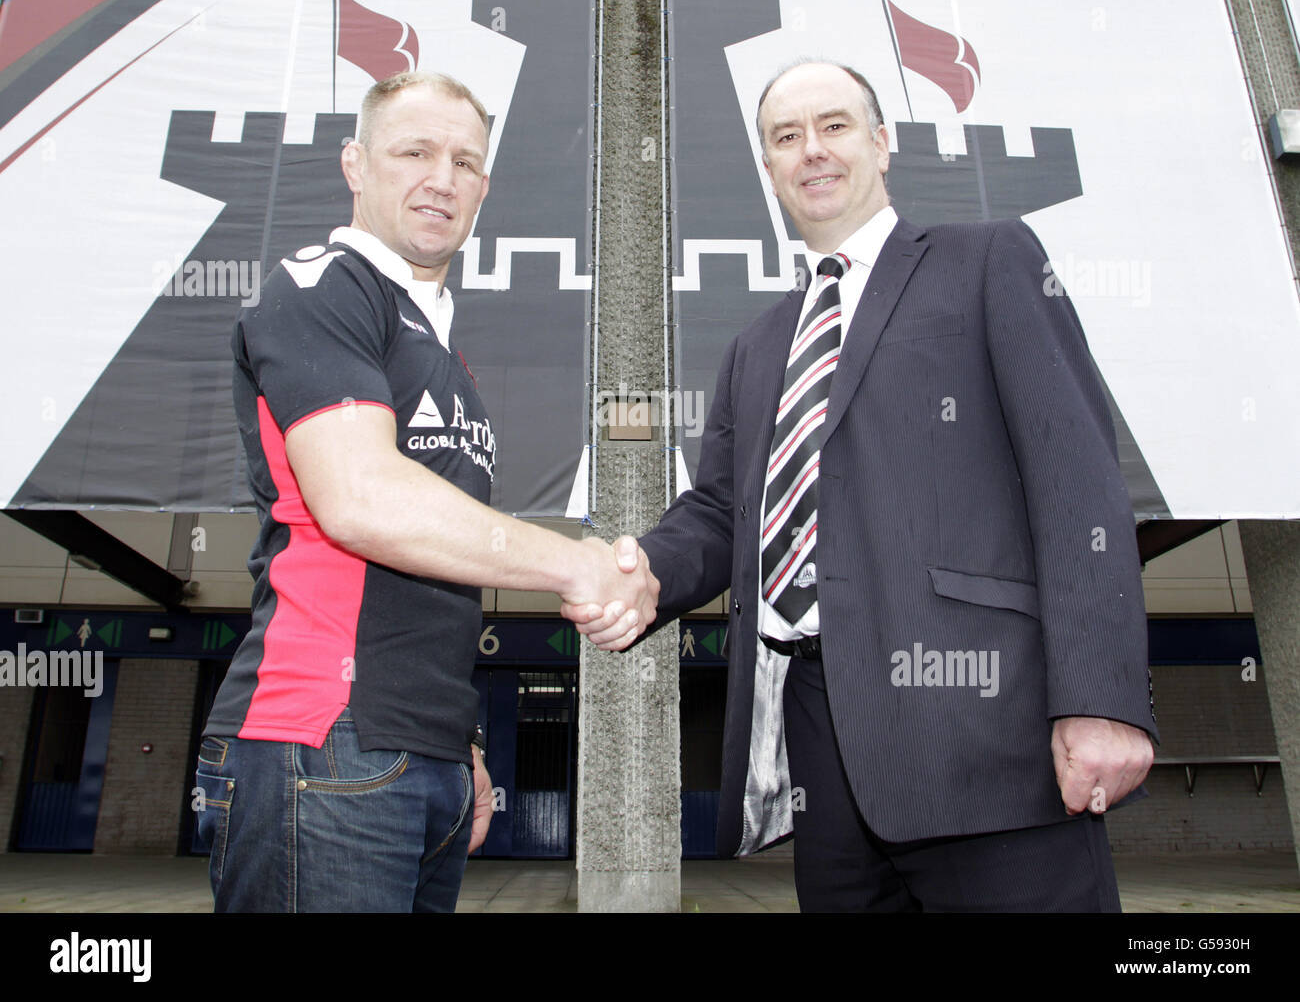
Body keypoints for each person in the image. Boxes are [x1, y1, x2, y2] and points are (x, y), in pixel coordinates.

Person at [567, 60, 1156, 912]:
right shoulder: (756, 347)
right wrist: (647, 571)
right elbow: (725, 512)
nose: (812, 150)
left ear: (882, 144)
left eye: (834, 125)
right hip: (822, 749)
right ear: (768, 168)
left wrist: (1102, 699)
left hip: (986, 734)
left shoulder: (987, 260)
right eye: (786, 136)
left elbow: (1078, 485)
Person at [198, 71, 657, 913]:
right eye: (414, 151)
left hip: (426, 758)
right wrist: (577, 565)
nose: (441, 178)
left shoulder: (442, 346)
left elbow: (440, 568)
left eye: (465, 162)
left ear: (485, 186)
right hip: (325, 744)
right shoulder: (321, 286)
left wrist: (461, 738)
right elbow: (361, 498)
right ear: (355, 164)